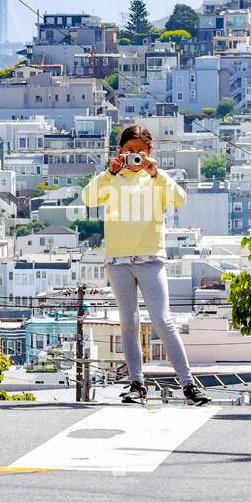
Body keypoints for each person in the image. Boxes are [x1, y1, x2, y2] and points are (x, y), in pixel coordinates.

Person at [81, 125, 211, 406]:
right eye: (129, 151)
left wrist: (156, 172)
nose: (134, 156)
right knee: (129, 322)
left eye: (140, 151)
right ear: (119, 151)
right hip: (118, 260)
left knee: (163, 321)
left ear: (150, 152)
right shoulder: (112, 179)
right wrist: (109, 172)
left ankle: (188, 384)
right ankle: (137, 383)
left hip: (151, 257)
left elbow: (180, 199)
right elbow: (87, 198)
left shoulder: (157, 180)